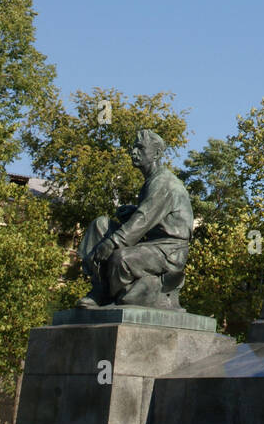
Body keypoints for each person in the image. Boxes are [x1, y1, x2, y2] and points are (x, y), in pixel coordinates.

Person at [78, 128, 194, 310]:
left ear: (156, 154)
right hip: (150, 244)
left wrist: (113, 242)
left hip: (169, 250)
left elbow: (143, 219)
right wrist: (132, 211)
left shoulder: (164, 182)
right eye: (133, 147)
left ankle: (123, 296)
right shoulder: (151, 181)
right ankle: (100, 290)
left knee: (121, 258)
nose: (133, 152)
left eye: (140, 148)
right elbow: (148, 215)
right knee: (100, 225)